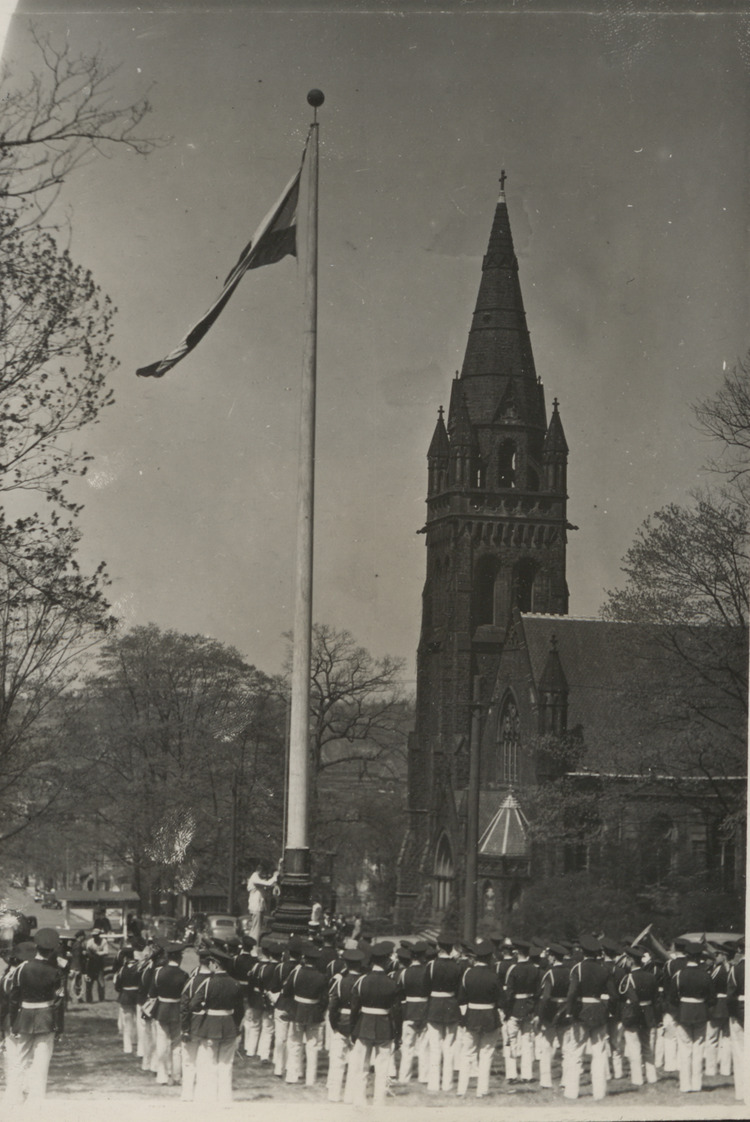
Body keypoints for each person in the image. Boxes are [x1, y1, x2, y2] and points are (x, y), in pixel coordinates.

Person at [1, 927, 65, 1105]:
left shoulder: (22, 969)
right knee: (42, 1060)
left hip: (25, 1017)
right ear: (52, 950)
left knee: (21, 1058)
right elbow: (59, 1003)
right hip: (46, 1017)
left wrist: (14, 1023)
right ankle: (36, 1098)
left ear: (36, 947)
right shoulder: (56, 972)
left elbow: (14, 998)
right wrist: (59, 1027)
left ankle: (15, 1095)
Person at [347, 941, 401, 1108]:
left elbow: (354, 1009)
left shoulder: (362, 981)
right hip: (385, 1027)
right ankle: (379, 1101)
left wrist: (352, 1030)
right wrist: (397, 1033)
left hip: (364, 1025)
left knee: (362, 1066)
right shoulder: (393, 982)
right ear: (386, 961)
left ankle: (360, 1099)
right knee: (382, 1067)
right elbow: (397, 1012)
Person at [189, 946, 244, 1103]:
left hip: (210, 1026)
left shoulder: (207, 983)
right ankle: (225, 1098)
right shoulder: (235, 984)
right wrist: (236, 1028)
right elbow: (240, 1010)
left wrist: (205, 1007)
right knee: (226, 1064)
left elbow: (193, 1005)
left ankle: (208, 1097)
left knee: (208, 1062)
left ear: (215, 964)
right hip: (229, 1026)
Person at [456, 937, 502, 1098]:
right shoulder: (494, 976)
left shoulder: (467, 975)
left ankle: (461, 1090)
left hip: (471, 1017)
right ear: (489, 958)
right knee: (486, 1054)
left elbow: (461, 999)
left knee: (467, 1053)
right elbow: (500, 1000)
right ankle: (482, 1090)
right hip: (489, 1016)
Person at [668, 939, 716, 1094]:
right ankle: (697, 1084)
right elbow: (712, 999)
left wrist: (677, 1013)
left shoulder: (679, 974)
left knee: (684, 1049)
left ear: (687, 956)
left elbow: (672, 999)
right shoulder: (706, 975)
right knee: (698, 1048)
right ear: (699, 957)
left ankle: (685, 1085)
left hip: (684, 1013)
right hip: (700, 1012)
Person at [283, 940, 328, 1085]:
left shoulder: (296, 973)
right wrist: (319, 1010)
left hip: (297, 1011)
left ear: (304, 958)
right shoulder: (322, 977)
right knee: (312, 1046)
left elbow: (287, 992)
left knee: (295, 1043)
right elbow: (325, 999)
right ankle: (311, 1079)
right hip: (314, 1012)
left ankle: (292, 1076)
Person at [150, 942, 188, 1085]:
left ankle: (162, 1076)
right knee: (177, 1045)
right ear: (179, 958)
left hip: (162, 1010)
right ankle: (177, 1076)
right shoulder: (184, 975)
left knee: (161, 1043)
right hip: (176, 1010)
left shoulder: (158, 972)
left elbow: (152, 993)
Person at [245, 864, 278, 943]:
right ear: (260, 870)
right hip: (256, 907)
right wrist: (275, 876)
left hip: (257, 907)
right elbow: (267, 883)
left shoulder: (256, 878)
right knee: (256, 930)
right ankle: (253, 948)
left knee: (255, 928)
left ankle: (250, 946)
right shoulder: (255, 877)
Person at [84, 928, 109, 1003]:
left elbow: (106, 952)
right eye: (94, 935)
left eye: (96, 935)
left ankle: (101, 998)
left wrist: (97, 952)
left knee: (101, 982)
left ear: (99, 935)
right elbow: (87, 952)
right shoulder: (89, 942)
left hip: (99, 964)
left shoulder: (104, 941)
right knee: (89, 982)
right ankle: (88, 999)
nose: (95, 937)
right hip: (91, 964)